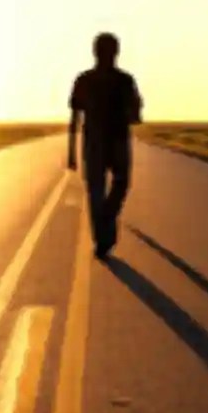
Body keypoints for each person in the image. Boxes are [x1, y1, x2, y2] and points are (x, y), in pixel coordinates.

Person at [68, 32, 143, 259]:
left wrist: (71, 151)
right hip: (109, 142)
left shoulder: (111, 80)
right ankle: (104, 236)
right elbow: (135, 116)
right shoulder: (121, 80)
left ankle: (103, 229)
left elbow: (74, 119)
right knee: (109, 188)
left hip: (103, 142)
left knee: (101, 190)